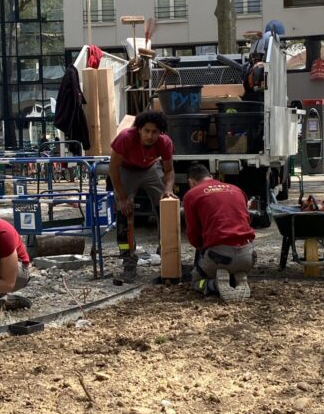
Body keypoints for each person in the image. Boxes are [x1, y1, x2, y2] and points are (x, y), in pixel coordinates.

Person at [109, 110, 175, 281]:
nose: (150, 136)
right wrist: (122, 198)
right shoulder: (125, 137)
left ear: (160, 132)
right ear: (138, 129)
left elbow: (169, 171)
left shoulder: (165, 142)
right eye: (146, 131)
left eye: (155, 132)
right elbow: (113, 168)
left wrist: (168, 189)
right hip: (126, 169)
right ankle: (128, 261)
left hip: (150, 168)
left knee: (167, 206)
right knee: (124, 215)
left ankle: (168, 254)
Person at [182, 164, 256, 302]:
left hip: (219, 257)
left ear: (191, 182)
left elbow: (193, 234)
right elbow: (244, 220)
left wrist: (202, 249)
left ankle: (214, 285)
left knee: (195, 281)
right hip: (248, 256)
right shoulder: (236, 189)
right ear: (211, 177)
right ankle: (237, 279)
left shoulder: (192, 194)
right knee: (232, 268)